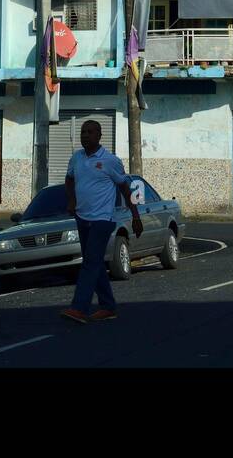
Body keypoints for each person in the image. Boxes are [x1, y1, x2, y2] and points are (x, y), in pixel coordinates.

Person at [61, 119, 142, 323]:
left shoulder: (110, 160)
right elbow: (69, 178)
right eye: (83, 132)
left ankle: (79, 308)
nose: (85, 135)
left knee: (90, 262)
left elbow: (125, 187)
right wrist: (71, 200)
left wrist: (135, 216)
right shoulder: (76, 158)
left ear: (99, 135)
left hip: (103, 219)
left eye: (90, 132)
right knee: (94, 262)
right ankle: (108, 306)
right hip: (82, 216)